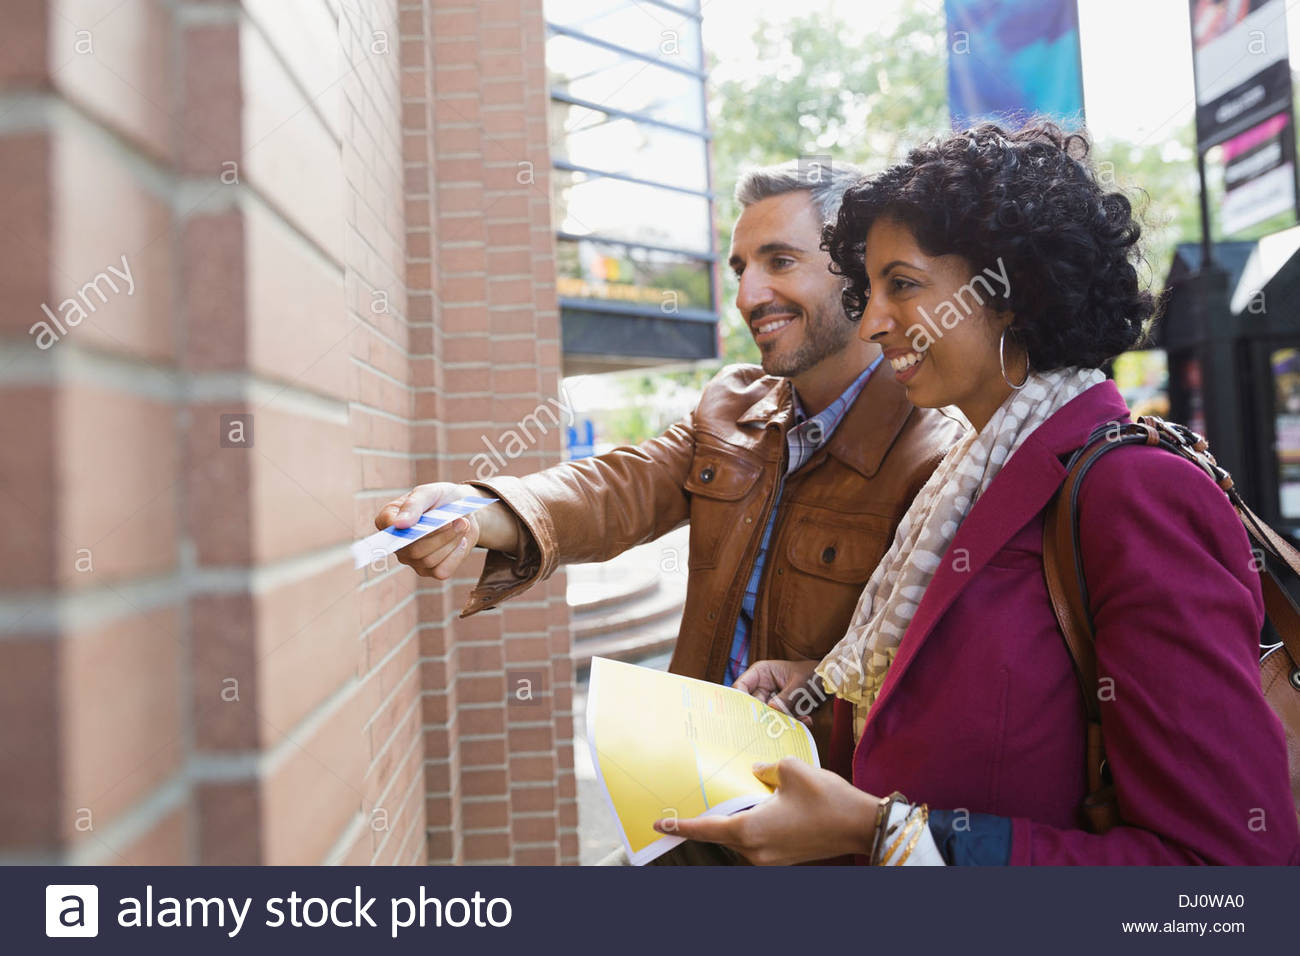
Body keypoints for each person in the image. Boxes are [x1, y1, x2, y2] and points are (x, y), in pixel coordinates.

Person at [666, 122, 1300, 866]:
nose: (872, 324)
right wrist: (814, 689)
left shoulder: (1134, 492)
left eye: (901, 285)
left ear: (1013, 291)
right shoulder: (970, 474)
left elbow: (1225, 876)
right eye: (867, 290)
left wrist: (885, 836)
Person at [374, 160, 961, 731]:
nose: (748, 296)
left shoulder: (937, 459)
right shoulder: (733, 405)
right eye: (740, 269)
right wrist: (474, 512)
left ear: (858, 273)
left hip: (811, 815)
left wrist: (825, 682)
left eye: (780, 261)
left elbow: (939, 681)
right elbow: (614, 490)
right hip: (689, 789)